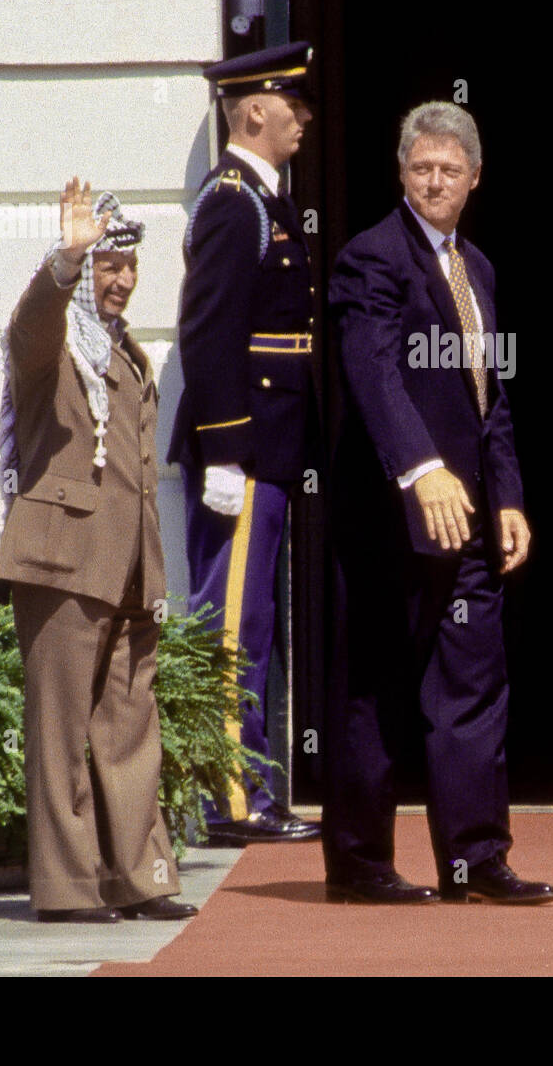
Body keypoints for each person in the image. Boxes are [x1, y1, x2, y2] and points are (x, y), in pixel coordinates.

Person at [321, 101, 553, 906]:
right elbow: (374, 370)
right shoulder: (369, 261)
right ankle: (359, 865)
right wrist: (420, 469)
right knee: (378, 688)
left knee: (475, 687)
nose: (434, 181)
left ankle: (475, 860)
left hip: (473, 522)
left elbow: (490, 399)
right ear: (401, 173)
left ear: (475, 178)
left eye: (449, 170)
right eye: (421, 168)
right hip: (392, 518)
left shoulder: (477, 269)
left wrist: (510, 498)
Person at [0, 179, 196, 923]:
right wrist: (65, 264)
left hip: (128, 567)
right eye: (111, 265)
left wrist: (156, 568)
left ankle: (140, 877)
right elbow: (27, 328)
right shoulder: (53, 347)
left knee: (130, 729)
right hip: (60, 564)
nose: (124, 279)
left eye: (129, 265)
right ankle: (68, 890)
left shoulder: (124, 350)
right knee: (59, 733)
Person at [167, 43, 322, 845]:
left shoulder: (265, 199)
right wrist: (224, 450)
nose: (303, 118)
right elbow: (208, 329)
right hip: (247, 447)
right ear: (253, 110)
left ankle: (244, 787)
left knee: (250, 621)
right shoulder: (235, 201)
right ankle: (229, 799)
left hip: (271, 446)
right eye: (292, 104)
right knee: (229, 626)